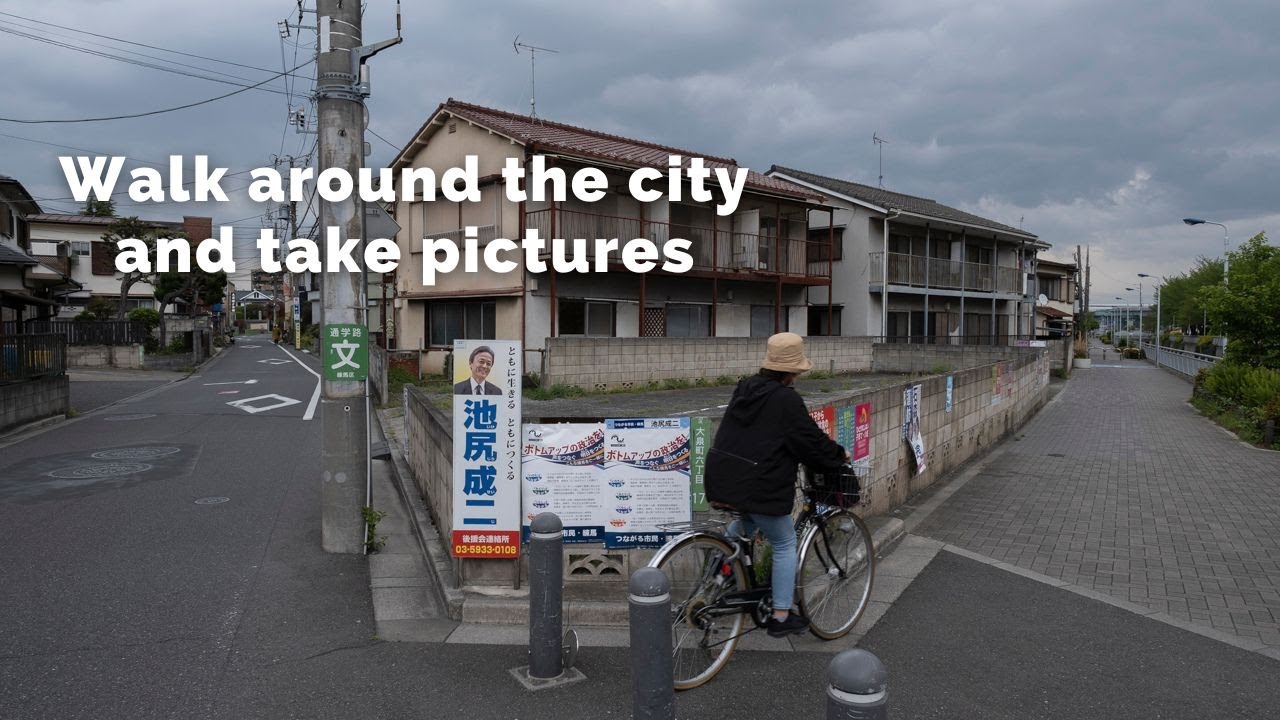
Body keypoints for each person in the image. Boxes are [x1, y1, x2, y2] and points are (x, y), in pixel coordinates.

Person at [705, 332, 849, 637]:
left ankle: (717, 577)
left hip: (722, 476)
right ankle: (781, 615)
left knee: (743, 528)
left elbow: (758, 436)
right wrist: (838, 455)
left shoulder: (745, 388)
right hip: (757, 485)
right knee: (784, 542)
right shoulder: (785, 399)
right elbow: (808, 439)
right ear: (792, 369)